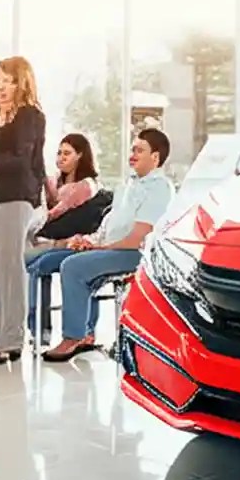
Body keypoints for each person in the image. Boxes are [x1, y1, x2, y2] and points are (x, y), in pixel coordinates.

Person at [40, 129, 175, 362]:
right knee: (66, 256)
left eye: (139, 150)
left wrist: (99, 250)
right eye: (132, 149)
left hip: (135, 254)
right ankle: (86, 333)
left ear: (156, 157)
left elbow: (138, 238)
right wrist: (89, 241)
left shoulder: (159, 188)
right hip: (113, 248)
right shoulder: (127, 184)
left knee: (74, 266)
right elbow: (107, 226)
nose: (132, 154)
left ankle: (72, 337)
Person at [0, 133, 103, 347]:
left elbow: (53, 213)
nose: (60, 158)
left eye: (67, 153)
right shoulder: (53, 181)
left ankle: (1, 323)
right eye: (58, 153)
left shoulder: (85, 185)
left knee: (6, 255)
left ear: (81, 156)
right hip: (40, 238)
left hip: (64, 241)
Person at [0, 56, 47, 365]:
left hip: (19, 196)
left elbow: (21, 159)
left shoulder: (29, 116)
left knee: (11, 269)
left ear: (19, 83)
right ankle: (4, 335)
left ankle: (12, 341)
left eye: (4, 80)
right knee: (0, 268)